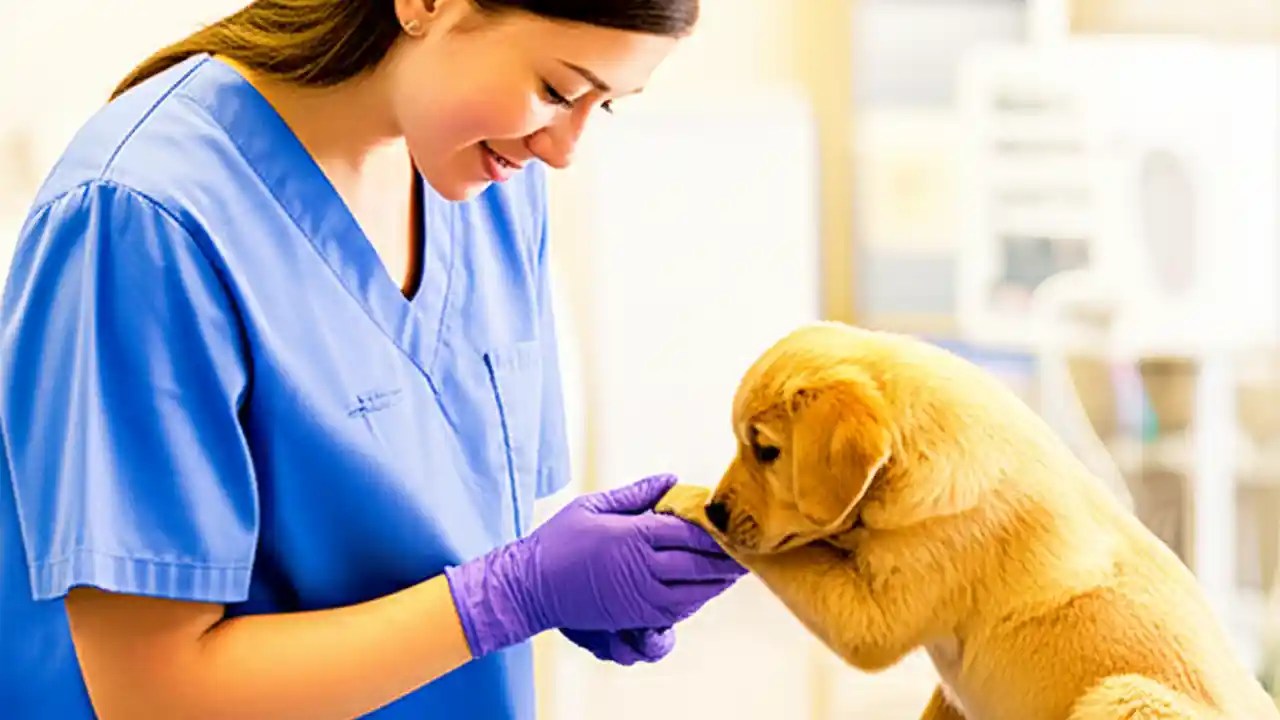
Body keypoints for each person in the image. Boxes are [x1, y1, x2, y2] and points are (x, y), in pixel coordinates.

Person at [0, 0, 745, 717]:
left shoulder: (489, 181)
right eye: (556, 91)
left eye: (602, 103)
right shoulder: (142, 217)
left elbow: (449, 534)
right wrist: (511, 594)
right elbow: (156, 696)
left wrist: (567, 584)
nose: (564, 148)